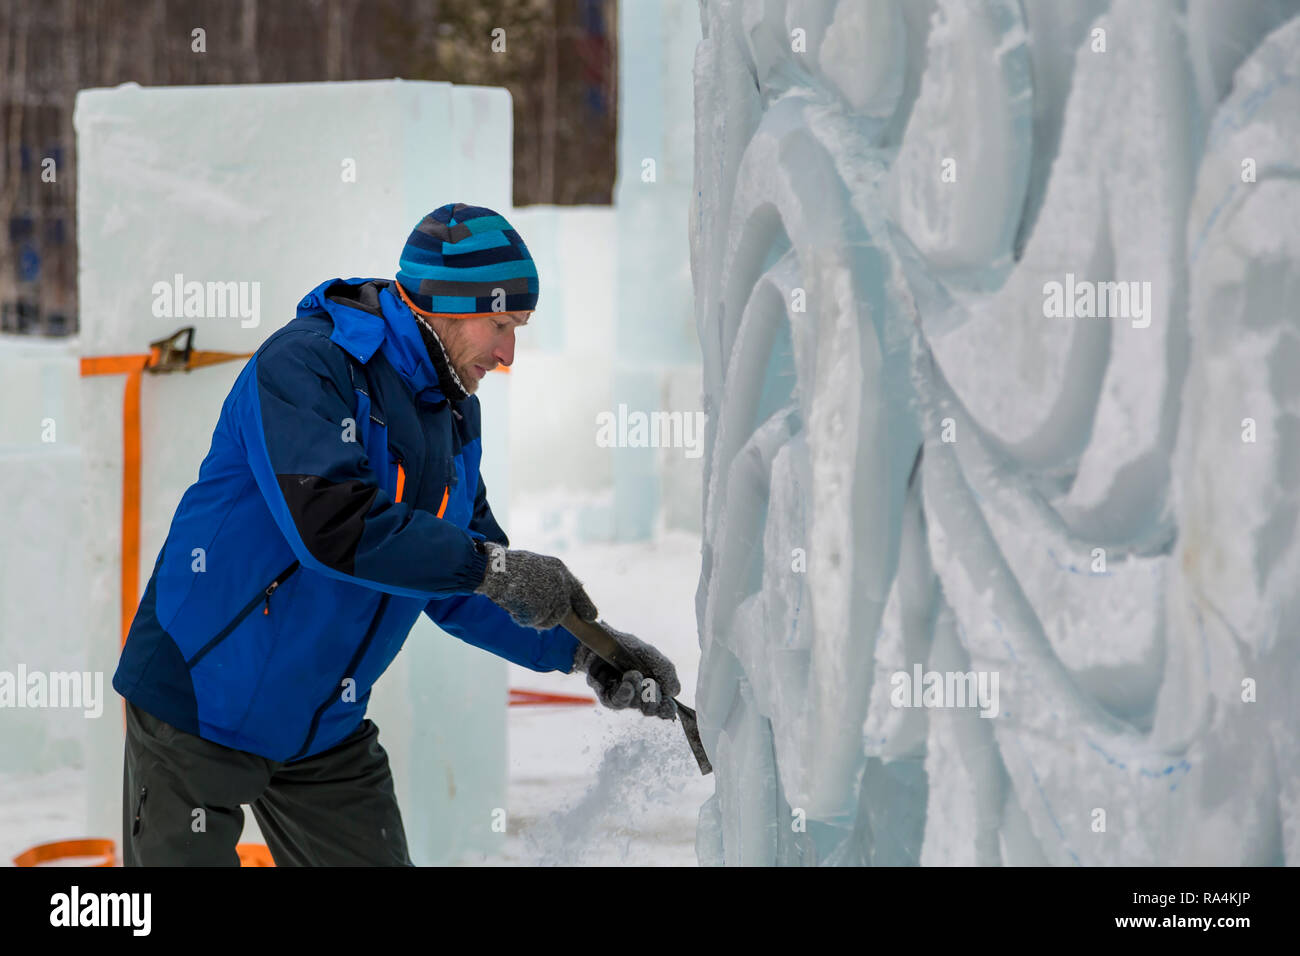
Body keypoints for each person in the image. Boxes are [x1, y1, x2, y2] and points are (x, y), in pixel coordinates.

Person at [113, 202, 680, 866]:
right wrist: (491, 569)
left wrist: (590, 650)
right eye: (499, 325)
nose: (508, 353)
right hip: (199, 705)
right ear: (440, 305)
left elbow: (466, 579)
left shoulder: (451, 416)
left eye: (518, 328)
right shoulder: (308, 367)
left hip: (323, 726)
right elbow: (332, 526)